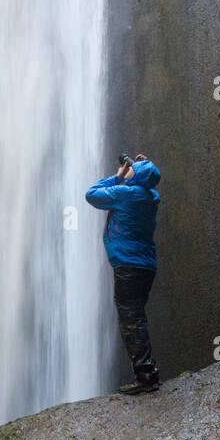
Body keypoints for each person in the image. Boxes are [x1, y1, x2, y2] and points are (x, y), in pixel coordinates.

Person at [85, 154, 162, 394]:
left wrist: (118, 176)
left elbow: (92, 195)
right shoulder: (151, 196)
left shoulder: (125, 195)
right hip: (145, 266)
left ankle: (146, 376)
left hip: (127, 267)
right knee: (137, 317)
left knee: (131, 321)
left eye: (132, 170)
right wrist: (140, 169)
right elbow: (147, 181)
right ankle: (148, 371)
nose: (128, 171)